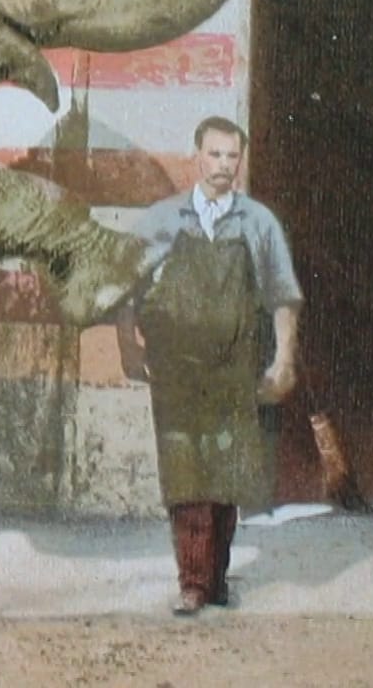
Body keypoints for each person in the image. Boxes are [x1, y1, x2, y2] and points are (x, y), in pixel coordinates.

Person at [127, 116, 302, 615]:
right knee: (186, 474)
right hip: (177, 371)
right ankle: (192, 581)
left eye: (232, 156)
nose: (224, 166)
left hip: (234, 372)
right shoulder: (163, 220)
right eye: (215, 154)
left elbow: (283, 296)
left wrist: (284, 359)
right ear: (196, 156)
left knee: (226, 475)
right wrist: (128, 347)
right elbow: (126, 286)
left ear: (240, 161)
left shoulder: (258, 223)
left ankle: (215, 577)